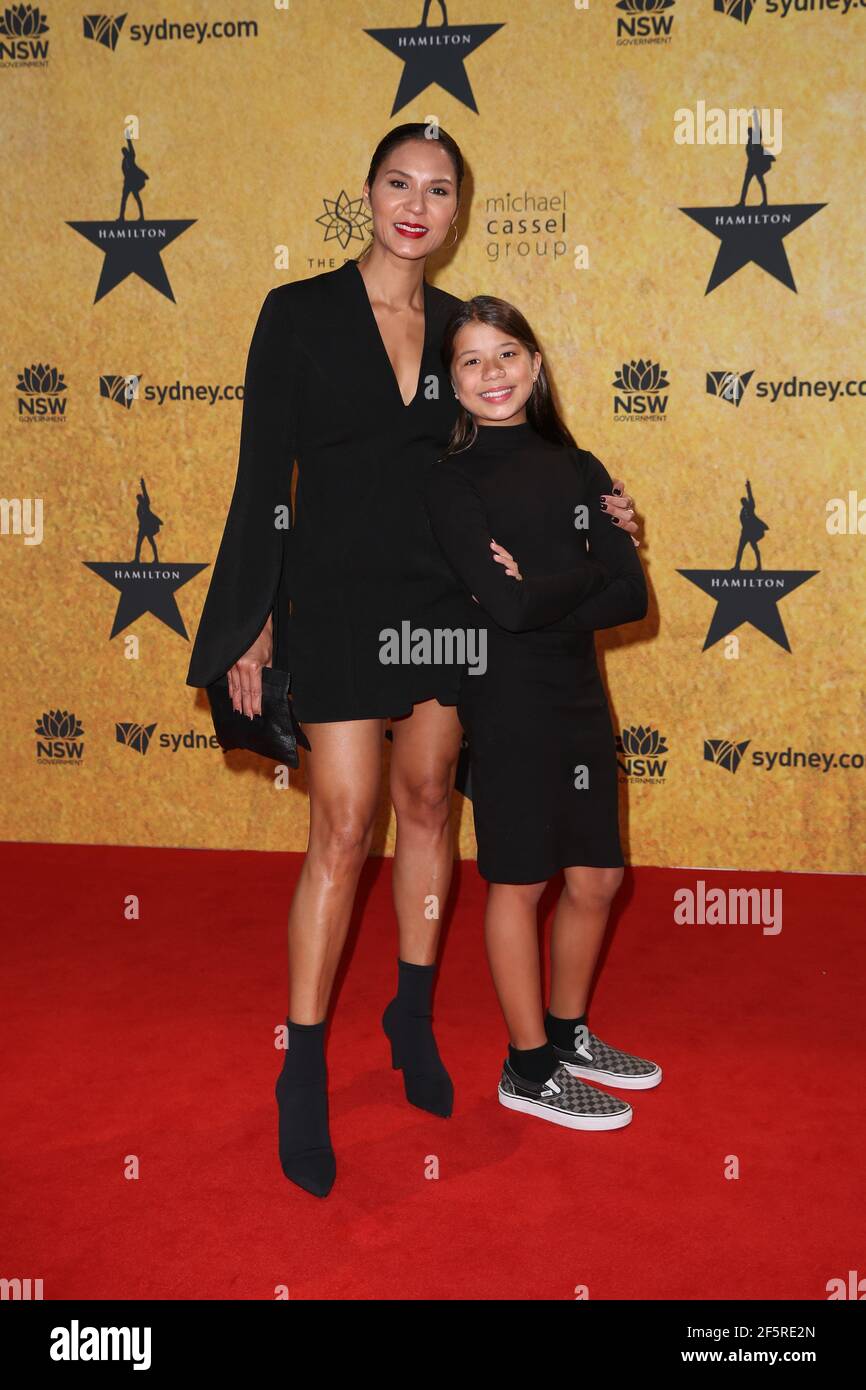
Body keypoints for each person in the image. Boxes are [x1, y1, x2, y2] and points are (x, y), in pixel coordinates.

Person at [185, 125, 642, 1196]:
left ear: (455, 212)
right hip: (337, 608)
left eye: (438, 191)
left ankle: (411, 1009)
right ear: (368, 193)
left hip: (442, 608)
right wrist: (250, 619)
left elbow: (506, 458)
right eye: (399, 183)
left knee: (430, 802)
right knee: (345, 823)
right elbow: (263, 474)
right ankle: (301, 1067)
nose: (416, 204)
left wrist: (595, 512)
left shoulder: (456, 330)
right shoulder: (295, 314)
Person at [423, 295, 660, 1131]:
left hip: (577, 689)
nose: (493, 374)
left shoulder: (581, 467)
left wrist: (545, 584)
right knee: (520, 878)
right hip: (507, 695)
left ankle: (566, 1037)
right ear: (451, 383)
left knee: (598, 875)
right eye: (471, 361)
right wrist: (583, 576)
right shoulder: (452, 481)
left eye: (507, 354)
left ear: (535, 363)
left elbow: (632, 599)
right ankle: (526, 1068)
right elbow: (507, 612)